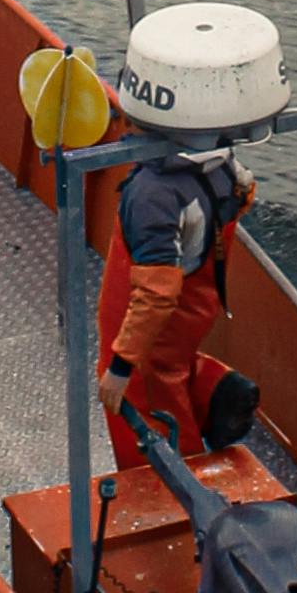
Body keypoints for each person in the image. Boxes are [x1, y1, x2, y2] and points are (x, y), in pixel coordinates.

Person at [95, 136, 255, 468]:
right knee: (173, 370)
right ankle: (213, 391)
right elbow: (242, 193)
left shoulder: (153, 194)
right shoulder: (219, 162)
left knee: (151, 411)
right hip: (193, 307)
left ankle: (179, 496)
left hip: (150, 337)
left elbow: (156, 294)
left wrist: (121, 365)